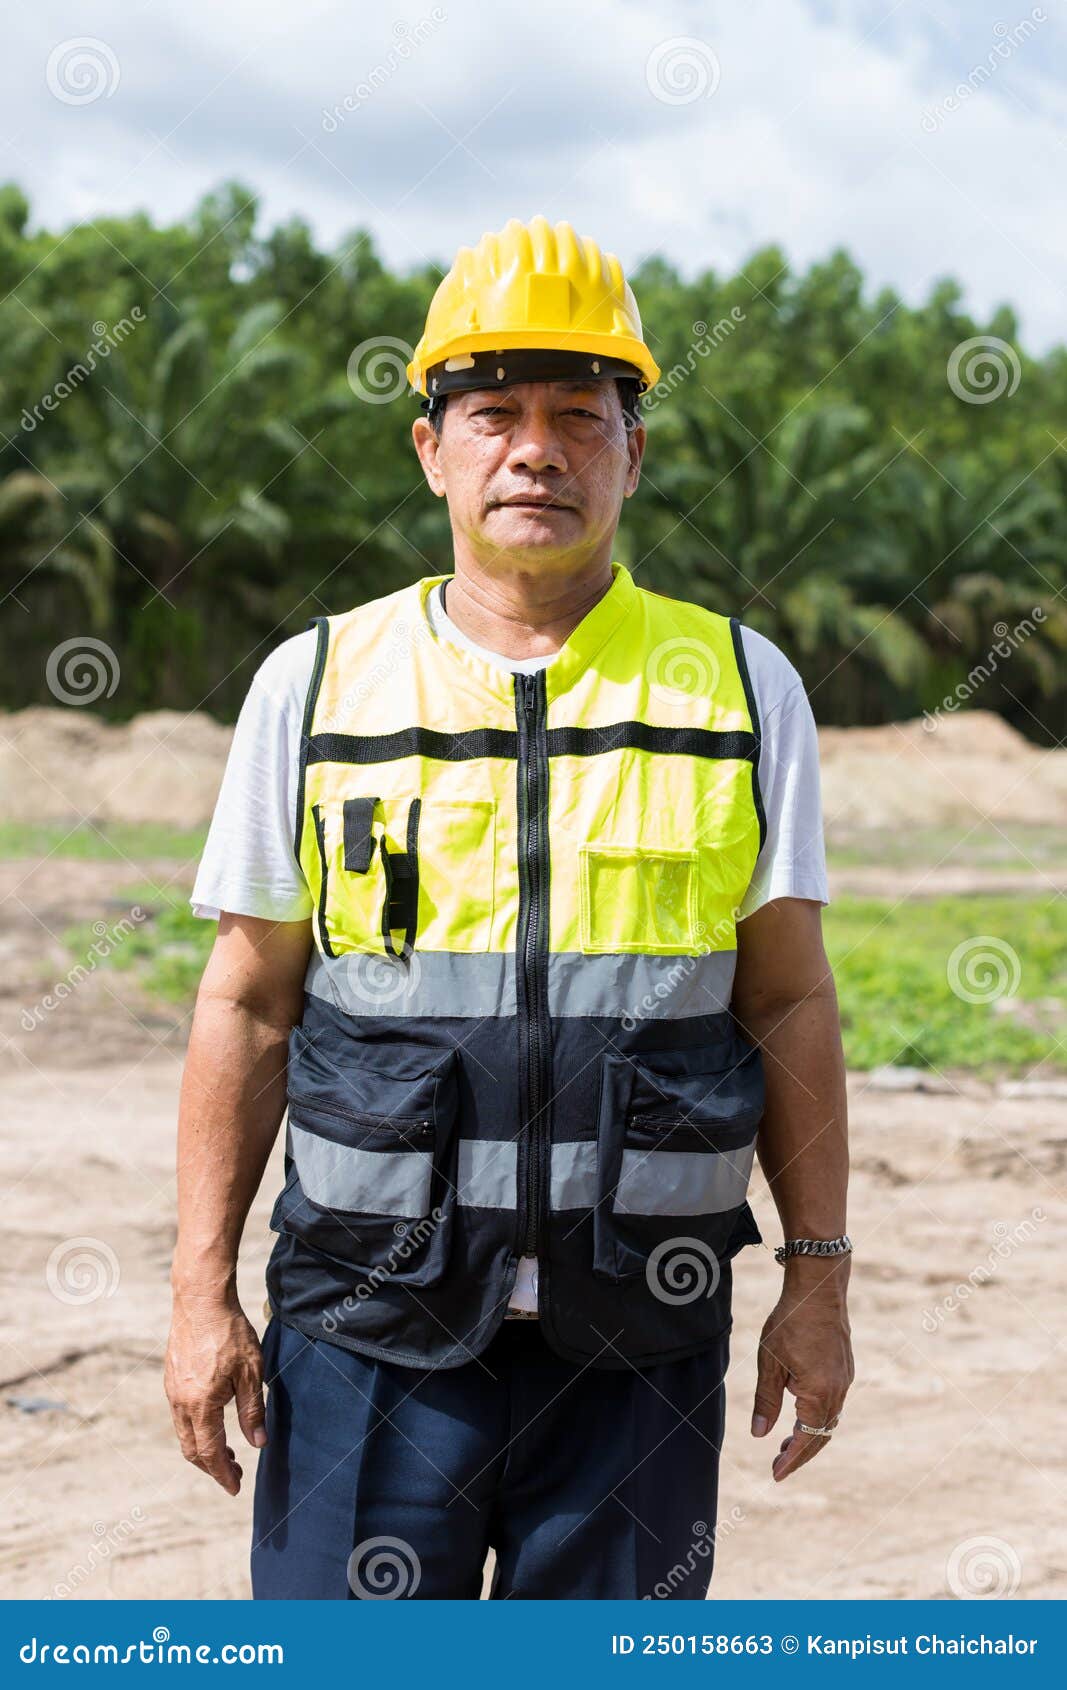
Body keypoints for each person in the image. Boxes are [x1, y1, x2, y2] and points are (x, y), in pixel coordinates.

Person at [165, 215, 854, 1601]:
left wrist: (820, 1277)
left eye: (576, 414)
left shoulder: (737, 689)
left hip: (637, 1350)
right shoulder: (315, 686)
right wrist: (199, 1292)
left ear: (632, 449)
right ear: (431, 448)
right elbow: (246, 1000)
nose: (534, 448)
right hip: (366, 1334)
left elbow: (785, 995)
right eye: (492, 413)